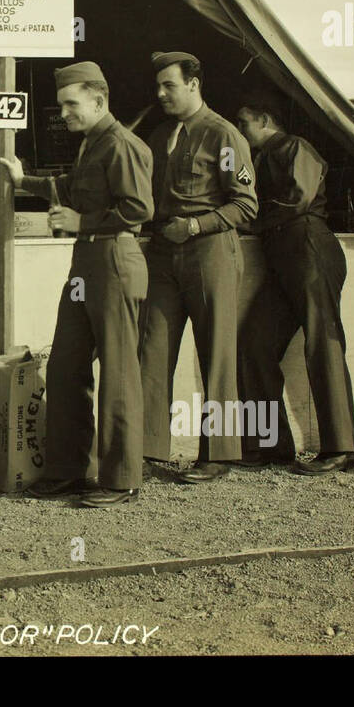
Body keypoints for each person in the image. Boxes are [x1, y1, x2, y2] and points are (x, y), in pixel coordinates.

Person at [0, 61, 153, 508]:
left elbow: (140, 208)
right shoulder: (94, 143)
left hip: (113, 258)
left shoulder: (122, 144)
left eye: (71, 104)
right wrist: (23, 180)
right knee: (66, 366)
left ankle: (120, 479)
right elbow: (71, 185)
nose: (64, 113)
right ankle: (67, 471)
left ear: (99, 100)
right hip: (87, 260)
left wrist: (83, 220)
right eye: (62, 104)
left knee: (119, 373)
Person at [138, 52, 258, 483]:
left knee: (217, 353)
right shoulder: (158, 136)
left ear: (193, 83)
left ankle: (219, 455)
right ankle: (147, 449)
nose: (160, 93)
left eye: (169, 85)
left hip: (210, 253)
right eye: (158, 86)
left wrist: (194, 225)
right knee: (151, 349)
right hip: (162, 254)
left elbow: (245, 204)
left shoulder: (223, 136)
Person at [234, 96, 354, 474]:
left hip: (308, 247)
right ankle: (270, 444)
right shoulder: (256, 158)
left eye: (244, 123)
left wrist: (251, 220)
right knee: (254, 343)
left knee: (323, 343)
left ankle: (340, 449)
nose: (239, 132)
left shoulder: (294, 147)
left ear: (265, 117)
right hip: (281, 257)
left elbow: (300, 198)